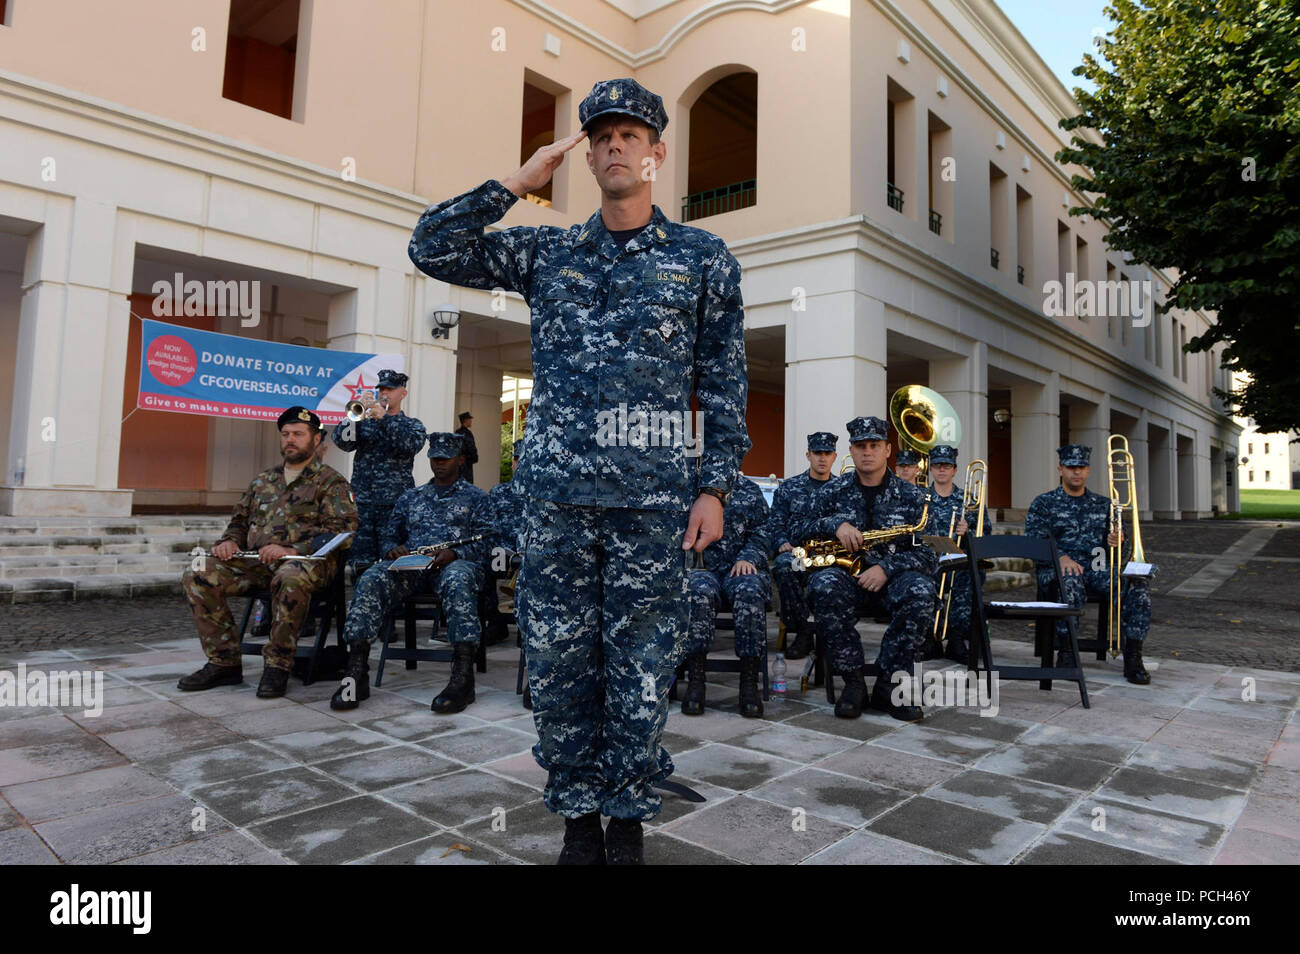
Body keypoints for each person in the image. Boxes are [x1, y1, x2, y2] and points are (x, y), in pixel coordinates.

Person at [408, 77, 749, 865]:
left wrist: (715, 486)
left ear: (657, 152)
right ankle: (576, 820)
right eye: (600, 137)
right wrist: (515, 185)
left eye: (631, 134)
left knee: (640, 664)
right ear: (587, 156)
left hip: (654, 503)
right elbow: (431, 246)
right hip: (557, 500)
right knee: (560, 662)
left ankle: (626, 817)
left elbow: (723, 381)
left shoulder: (702, 260)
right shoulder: (549, 250)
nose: (614, 146)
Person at [179, 407, 357, 698]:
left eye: (298, 434)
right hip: (258, 563)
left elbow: (342, 533)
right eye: (285, 434)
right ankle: (223, 662)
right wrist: (230, 542)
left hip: (306, 564)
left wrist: (291, 549)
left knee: (290, 578)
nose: (290, 440)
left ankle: (278, 665)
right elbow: (239, 521)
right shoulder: (263, 481)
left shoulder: (331, 483)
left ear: (315, 440)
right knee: (199, 573)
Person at [330, 433, 494, 712]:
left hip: (453, 565)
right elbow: (389, 536)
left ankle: (463, 678)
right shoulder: (412, 497)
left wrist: (456, 553)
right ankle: (356, 670)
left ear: (461, 460)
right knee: (371, 577)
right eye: (434, 459)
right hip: (413, 567)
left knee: (458, 579)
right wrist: (394, 550)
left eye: (445, 458)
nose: (438, 464)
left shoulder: (477, 498)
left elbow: (489, 541)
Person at [794, 416, 937, 721]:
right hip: (846, 578)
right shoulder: (830, 492)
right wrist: (835, 525)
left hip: (893, 580)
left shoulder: (914, 497)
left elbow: (931, 553)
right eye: (860, 446)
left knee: (922, 591)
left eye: (875, 445)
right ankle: (853, 683)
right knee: (823, 586)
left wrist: (886, 567)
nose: (867, 452)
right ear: (851, 450)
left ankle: (888, 685)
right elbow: (798, 530)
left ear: (888, 450)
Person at [1025, 444, 1152, 684]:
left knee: (1137, 585)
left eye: (1081, 467)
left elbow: (1122, 553)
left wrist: (1118, 542)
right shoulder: (1044, 503)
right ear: (1060, 469)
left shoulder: (1105, 505)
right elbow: (1033, 540)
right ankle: (1067, 650)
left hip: (1097, 568)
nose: (1076, 472)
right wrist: (1060, 557)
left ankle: (1133, 656)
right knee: (1069, 581)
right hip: (1058, 569)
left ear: (1088, 470)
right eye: (1071, 467)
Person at [680, 474, 771, 718]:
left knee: (750, 591)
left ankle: (749, 684)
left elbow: (764, 532)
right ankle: (695, 681)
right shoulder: (691, 486)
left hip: (739, 568)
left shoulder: (750, 491)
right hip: (702, 567)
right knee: (698, 592)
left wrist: (749, 557)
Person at [330, 369, 426, 574]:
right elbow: (342, 442)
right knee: (360, 564)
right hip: (363, 505)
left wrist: (385, 420)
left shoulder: (412, 425)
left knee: (392, 563)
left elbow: (408, 446)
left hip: (394, 507)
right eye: (381, 389)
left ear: (403, 393)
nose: (384, 393)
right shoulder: (365, 423)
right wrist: (356, 415)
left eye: (390, 389)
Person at [917, 444, 993, 663]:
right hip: (929, 558)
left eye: (947, 466)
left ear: (954, 470)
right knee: (921, 578)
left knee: (970, 576)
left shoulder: (969, 501)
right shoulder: (920, 498)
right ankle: (930, 638)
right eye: (938, 465)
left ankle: (957, 639)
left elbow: (985, 534)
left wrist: (968, 531)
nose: (942, 470)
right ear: (931, 468)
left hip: (959, 560)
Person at [765, 432, 837, 660]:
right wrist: (780, 542)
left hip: (832, 556)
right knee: (784, 566)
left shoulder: (843, 489)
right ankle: (802, 630)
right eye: (817, 453)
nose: (822, 458)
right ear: (808, 455)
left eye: (827, 453)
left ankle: (835, 633)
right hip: (799, 555)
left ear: (834, 456)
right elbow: (774, 522)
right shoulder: (790, 487)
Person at [481, 442, 526, 647]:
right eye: (516, 459)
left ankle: (526, 625)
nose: (520, 463)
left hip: (529, 553)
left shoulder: (542, 495)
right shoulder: (499, 492)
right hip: (503, 552)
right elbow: (489, 527)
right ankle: (495, 622)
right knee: (481, 564)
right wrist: (501, 549)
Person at [454, 412, 479, 484]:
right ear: (465, 420)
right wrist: (474, 458)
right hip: (466, 462)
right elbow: (471, 447)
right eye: (469, 419)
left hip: (459, 462)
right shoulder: (467, 433)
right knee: (467, 483)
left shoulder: (457, 432)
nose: (471, 421)